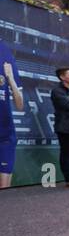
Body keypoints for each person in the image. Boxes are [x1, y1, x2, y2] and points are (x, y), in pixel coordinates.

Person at [1, 41, 24, 188]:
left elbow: (20, 105)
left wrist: (10, 79)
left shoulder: (4, 52)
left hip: (5, 135)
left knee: (4, 189)